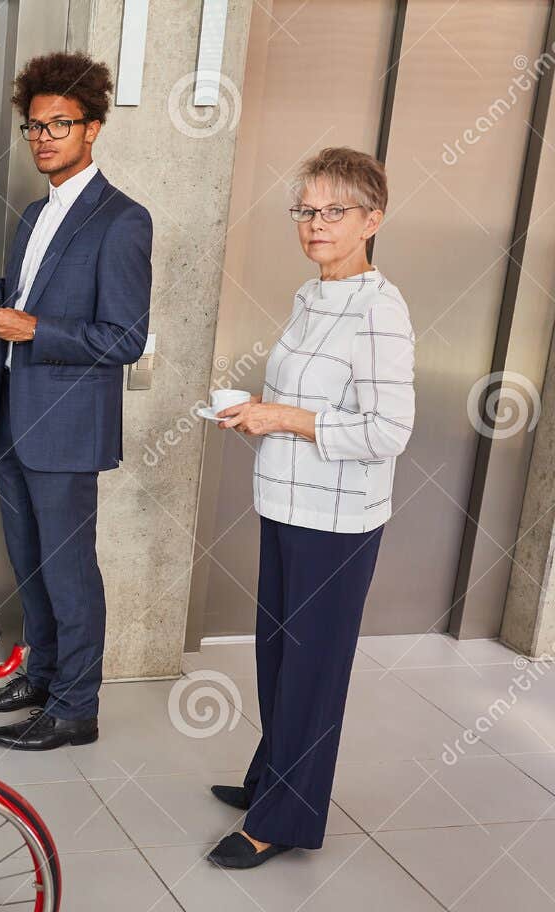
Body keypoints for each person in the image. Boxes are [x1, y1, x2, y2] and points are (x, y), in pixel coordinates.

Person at [207, 147, 415, 869]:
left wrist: (283, 418)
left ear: (372, 220)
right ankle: (274, 774)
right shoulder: (311, 293)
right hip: (287, 503)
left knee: (312, 667)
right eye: (305, 209)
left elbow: (389, 431)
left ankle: (285, 817)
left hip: (339, 520)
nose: (315, 224)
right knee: (277, 656)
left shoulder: (380, 309)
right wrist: (258, 415)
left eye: (334, 211)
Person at [0, 52, 152, 752]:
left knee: (68, 569)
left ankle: (75, 707)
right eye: (34, 126)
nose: (44, 137)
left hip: (66, 428)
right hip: (17, 417)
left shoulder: (122, 220)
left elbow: (123, 336)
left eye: (60, 124)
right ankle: (44, 677)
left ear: (92, 128)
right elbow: (15, 302)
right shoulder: (36, 214)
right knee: (31, 564)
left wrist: (31, 329)